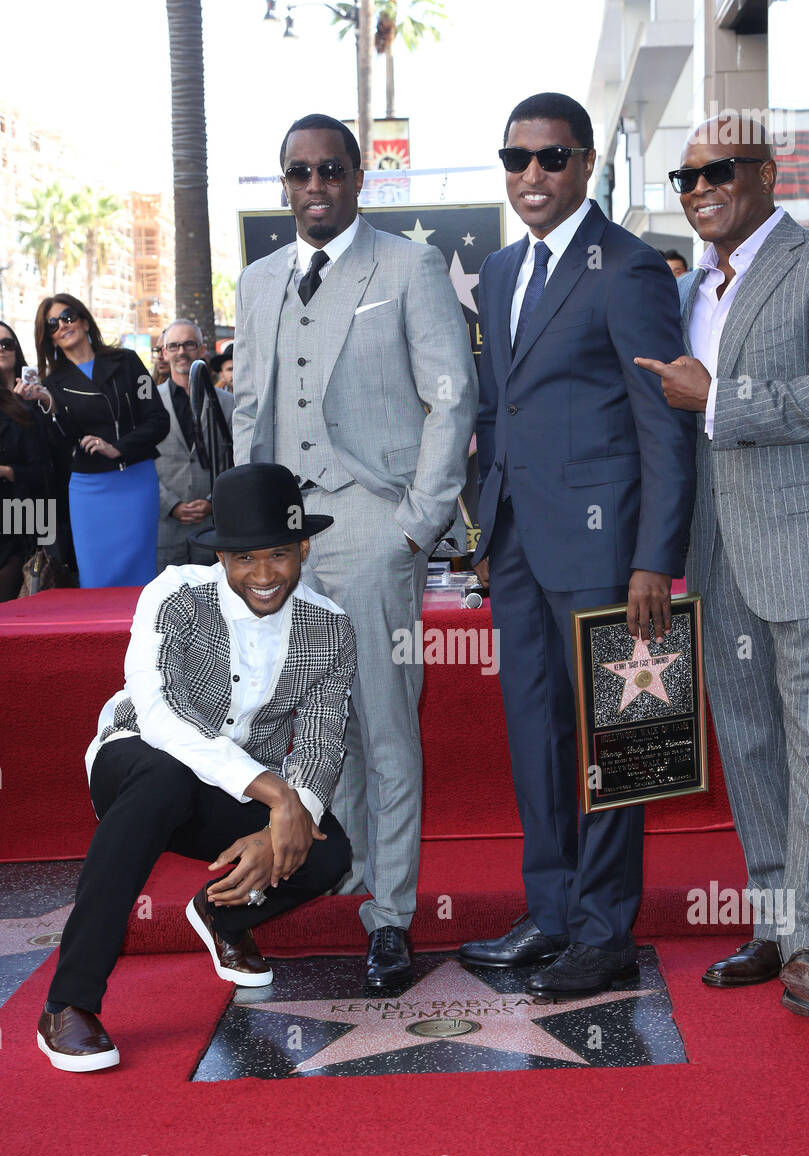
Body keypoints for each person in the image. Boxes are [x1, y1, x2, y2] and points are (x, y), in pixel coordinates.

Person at [635, 116, 809, 1018]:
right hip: (716, 553)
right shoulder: (683, 293)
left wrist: (721, 397)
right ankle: (777, 923)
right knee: (746, 742)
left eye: (719, 170)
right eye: (685, 175)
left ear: (766, 174)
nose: (700, 187)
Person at [459, 92, 696, 997]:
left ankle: (602, 930)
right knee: (536, 737)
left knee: (621, 736)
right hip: (518, 546)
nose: (531, 175)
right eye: (515, 158)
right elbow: (495, 410)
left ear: (585, 164)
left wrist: (651, 558)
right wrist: (485, 530)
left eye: (550, 158)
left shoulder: (629, 270)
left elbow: (660, 424)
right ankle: (551, 913)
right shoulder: (496, 271)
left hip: (606, 551)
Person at [233, 112, 477, 987]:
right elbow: (252, 414)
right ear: (284, 183)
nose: (314, 188)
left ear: (357, 177)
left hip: (377, 527)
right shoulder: (257, 283)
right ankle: (362, 871)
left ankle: (393, 914)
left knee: (381, 722)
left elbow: (452, 399)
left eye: (329, 171)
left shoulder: (406, 266)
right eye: (298, 174)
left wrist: (418, 521)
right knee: (310, 724)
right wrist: (244, 538)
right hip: (281, 550)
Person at [37, 464, 357, 1071]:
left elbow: (321, 740)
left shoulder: (330, 626)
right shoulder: (174, 594)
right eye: (244, 559)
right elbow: (159, 718)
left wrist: (285, 820)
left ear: (304, 548)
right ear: (222, 555)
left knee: (328, 851)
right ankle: (67, 1003)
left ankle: (223, 911)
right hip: (135, 761)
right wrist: (275, 797)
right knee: (164, 775)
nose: (263, 576)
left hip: (229, 789)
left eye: (280, 556)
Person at [21, 294, 169, 587]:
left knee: (140, 577)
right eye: (52, 325)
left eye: (68, 316)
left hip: (136, 482)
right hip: (89, 491)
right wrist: (49, 405)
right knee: (96, 581)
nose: (62, 325)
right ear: (50, 339)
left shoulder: (127, 362)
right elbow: (62, 443)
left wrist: (119, 447)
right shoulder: (51, 385)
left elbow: (158, 420)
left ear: (85, 321)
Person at [155, 319, 234, 571]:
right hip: (164, 527)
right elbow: (138, 464)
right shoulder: (147, 404)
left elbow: (237, 459)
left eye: (189, 344)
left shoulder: (228, 403)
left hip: (213, 524)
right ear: (165, 353)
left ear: (202, 350)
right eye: (174, 345)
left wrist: (214, 500)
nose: (181, 351)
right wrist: (171, 505)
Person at [0, 322, 53, 600]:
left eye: (6, 343)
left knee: (27, 603)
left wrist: (39, 401)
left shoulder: (35, 394)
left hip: (31, 512)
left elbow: (49, 461)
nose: (1, 349)